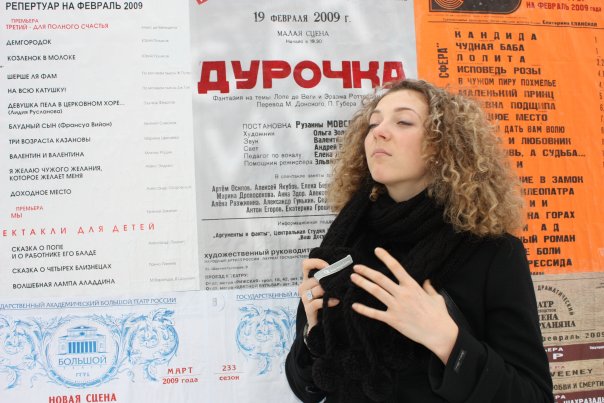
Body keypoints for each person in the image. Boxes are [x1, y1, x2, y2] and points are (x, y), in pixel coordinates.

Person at [285, 79, 554, 403]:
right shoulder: (342, 243)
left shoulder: (493, 252)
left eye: (403, 121)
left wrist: (448, 341)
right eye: (374, 123)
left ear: (444, 146)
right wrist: (311, 334)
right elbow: (306, 389)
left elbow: (533, 395)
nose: (379, 132)